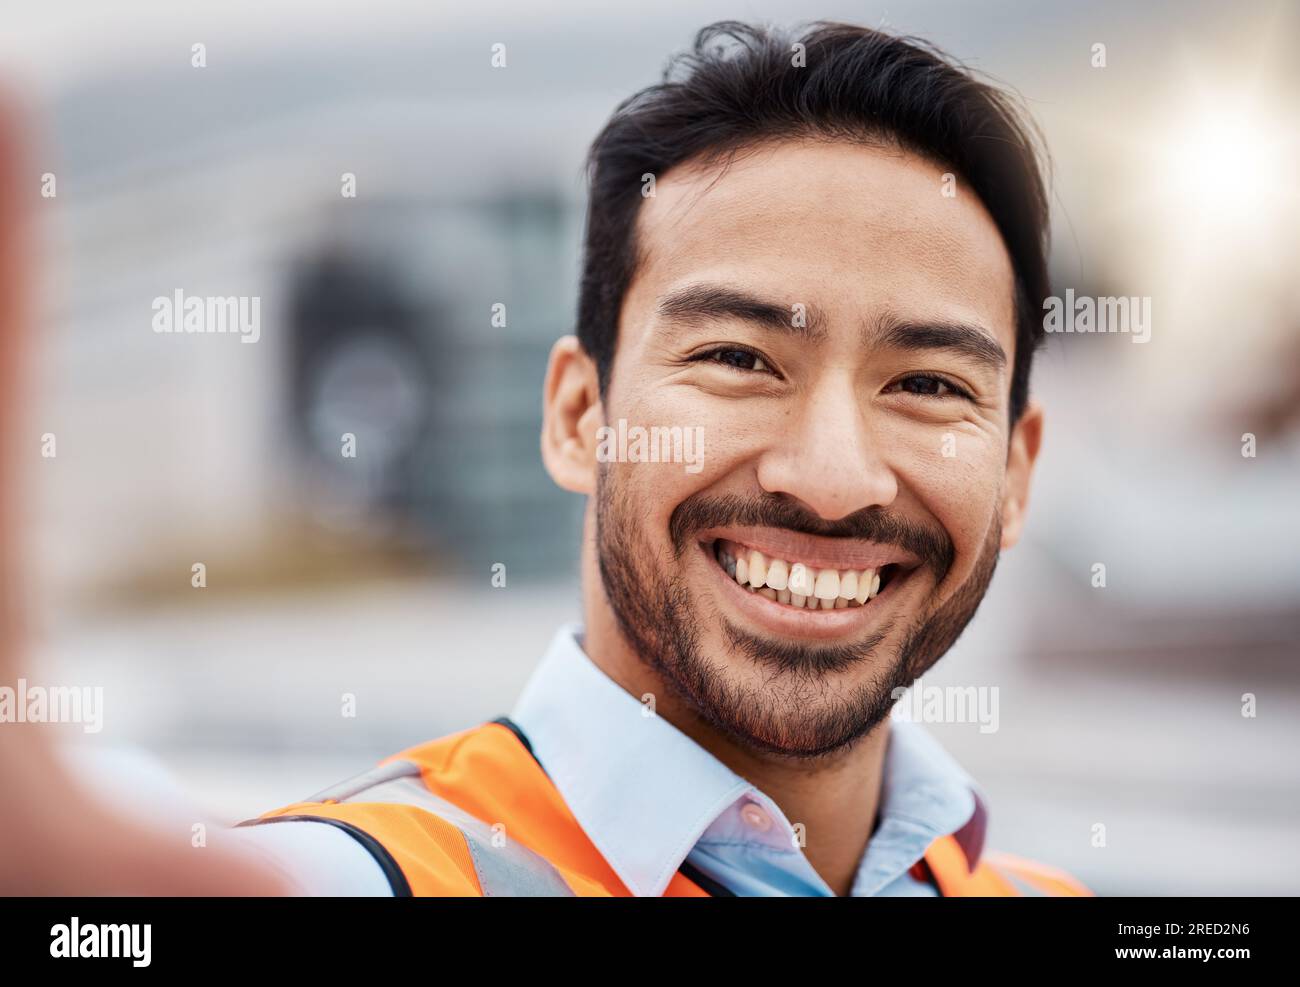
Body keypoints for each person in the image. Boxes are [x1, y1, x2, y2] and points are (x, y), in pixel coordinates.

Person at [236, 20, 1091, 897]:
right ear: (579, 415)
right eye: (738, 359)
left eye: (928, 383)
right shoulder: (345, 876)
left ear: (1015, 474)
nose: (833, 481)